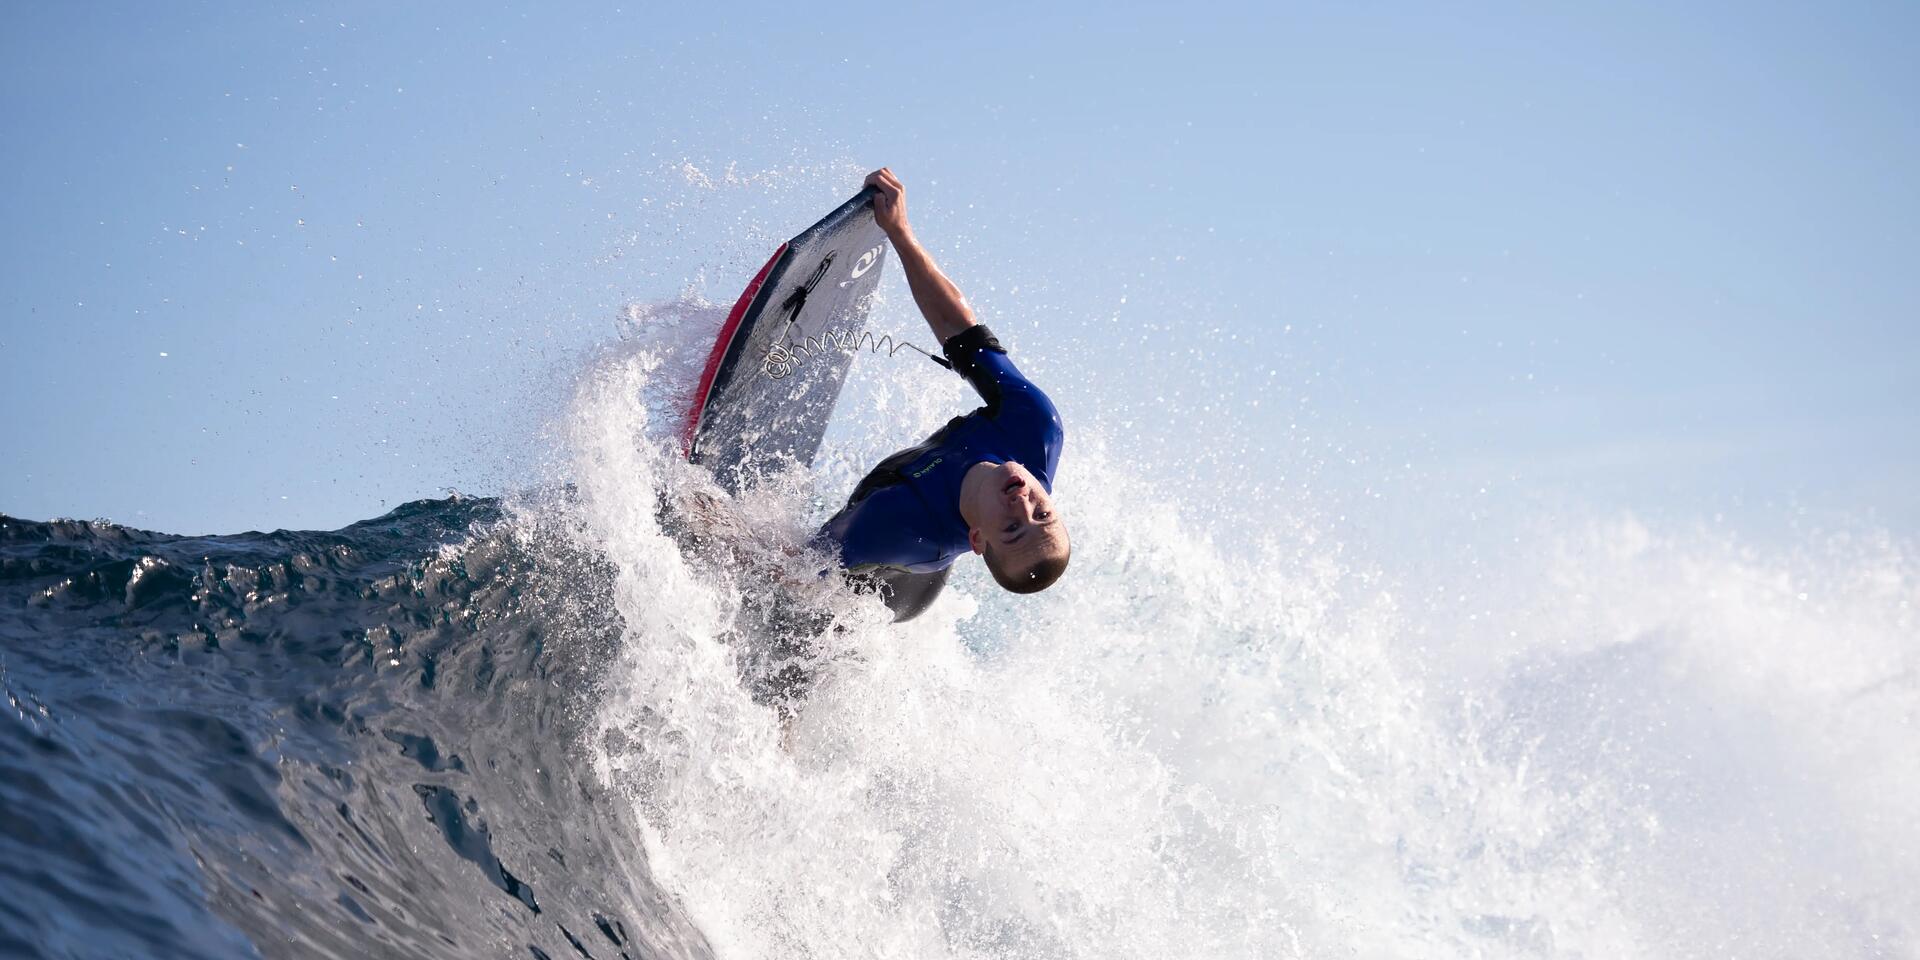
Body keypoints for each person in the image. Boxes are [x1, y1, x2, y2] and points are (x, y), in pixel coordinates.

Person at [817, 168, 1069, 621]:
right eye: (1042, 513)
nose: (1023, 504)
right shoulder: (1035, 428)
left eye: (1012, 528)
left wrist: (710, 518)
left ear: (977, 539)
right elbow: (960, 333)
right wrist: (899, 231)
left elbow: (792, 569)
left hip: (890, 590)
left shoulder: (894, 526)